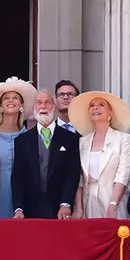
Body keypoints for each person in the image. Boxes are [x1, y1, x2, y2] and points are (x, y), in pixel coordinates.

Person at [12, 90, 81, 220]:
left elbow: (72, 174)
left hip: (60, 210)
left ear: (54, 107)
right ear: (34, 108)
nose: (43, 106)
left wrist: (66, 203)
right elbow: (18, 177)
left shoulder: (70, 139)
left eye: (47, 102)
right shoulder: (22, 140)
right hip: (29, 210)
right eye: (39, 103)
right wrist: (18, 208)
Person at [72, 91, 130, 219]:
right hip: (87, 204)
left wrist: (113, 205)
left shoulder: (123, 139)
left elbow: (122, 175)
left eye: (101, 105)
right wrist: (78, 208)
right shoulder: (82, 142)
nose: (95, 108)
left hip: (112, 203)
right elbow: (79, 178)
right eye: (92, 105)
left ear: (111, 112)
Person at [0, 77, 34, 222]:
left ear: (22, 105)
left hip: (24, 195)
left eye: (15, 98)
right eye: (6, 98)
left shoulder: (29, 137)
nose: (11, 101)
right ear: (0, 106)